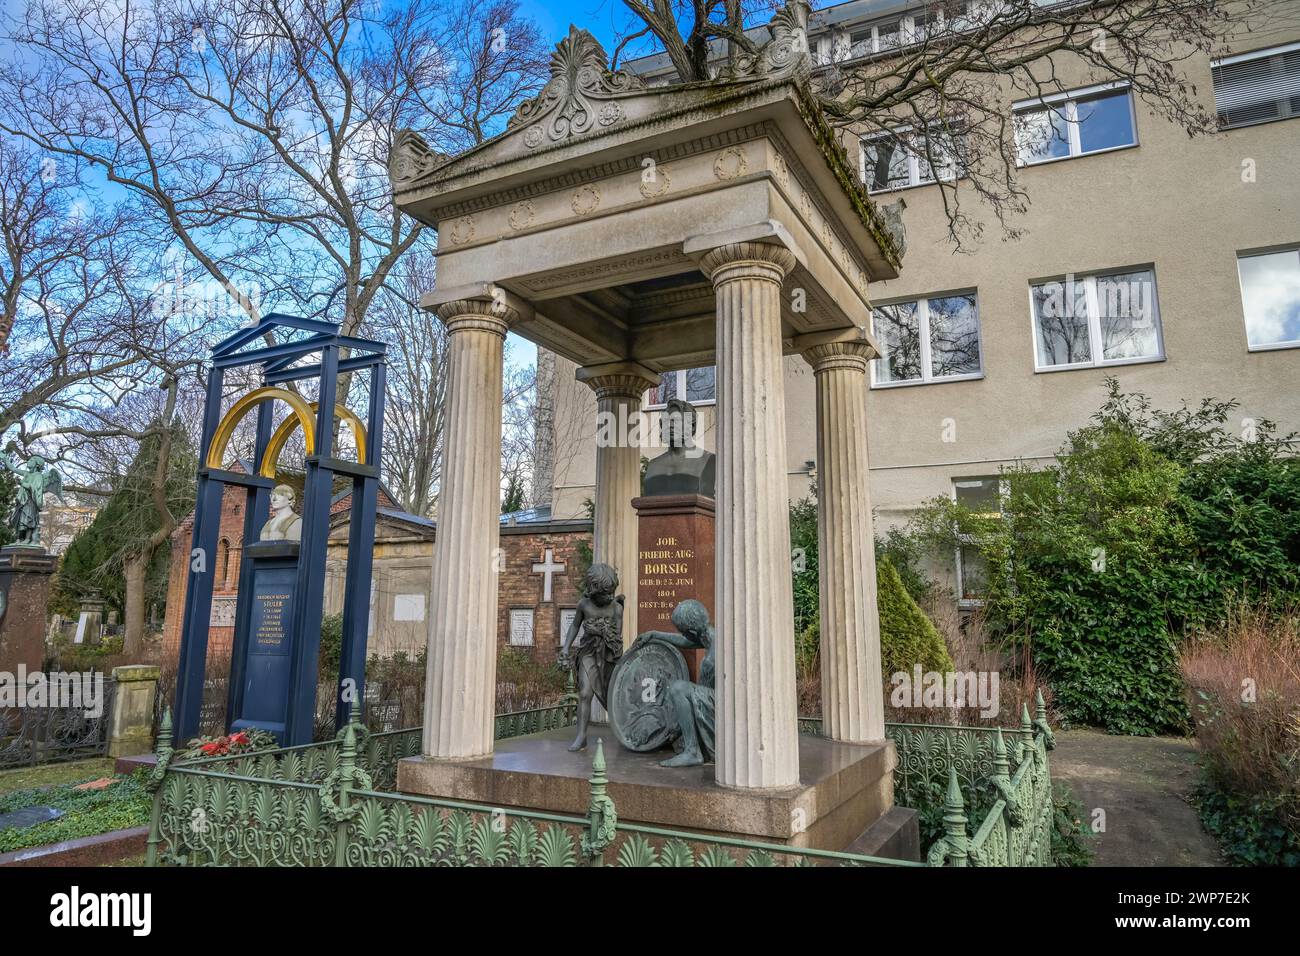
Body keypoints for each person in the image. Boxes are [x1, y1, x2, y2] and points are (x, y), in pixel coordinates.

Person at [627, 599, 715, 767]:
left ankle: (692, 751)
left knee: (678, 688)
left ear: (691, 630)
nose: (683, 635)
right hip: (712, 698)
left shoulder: (713, 657)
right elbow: (688, 641)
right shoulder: (710, 635)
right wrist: (654, 634)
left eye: (682, 631)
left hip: (720, 707)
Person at [558, 563, 624, 752]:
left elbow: (617, 639)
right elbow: (575, 626)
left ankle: (624, 730)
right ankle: (581, 736)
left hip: (608, 657)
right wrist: (565, 647)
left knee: (612, 698)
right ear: (593, 590)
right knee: (585, 693)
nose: (610, 597)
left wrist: (601, 631)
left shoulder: (616, 609)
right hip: (588, 653)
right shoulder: (584, 605)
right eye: (606, 593)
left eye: (612, 592)